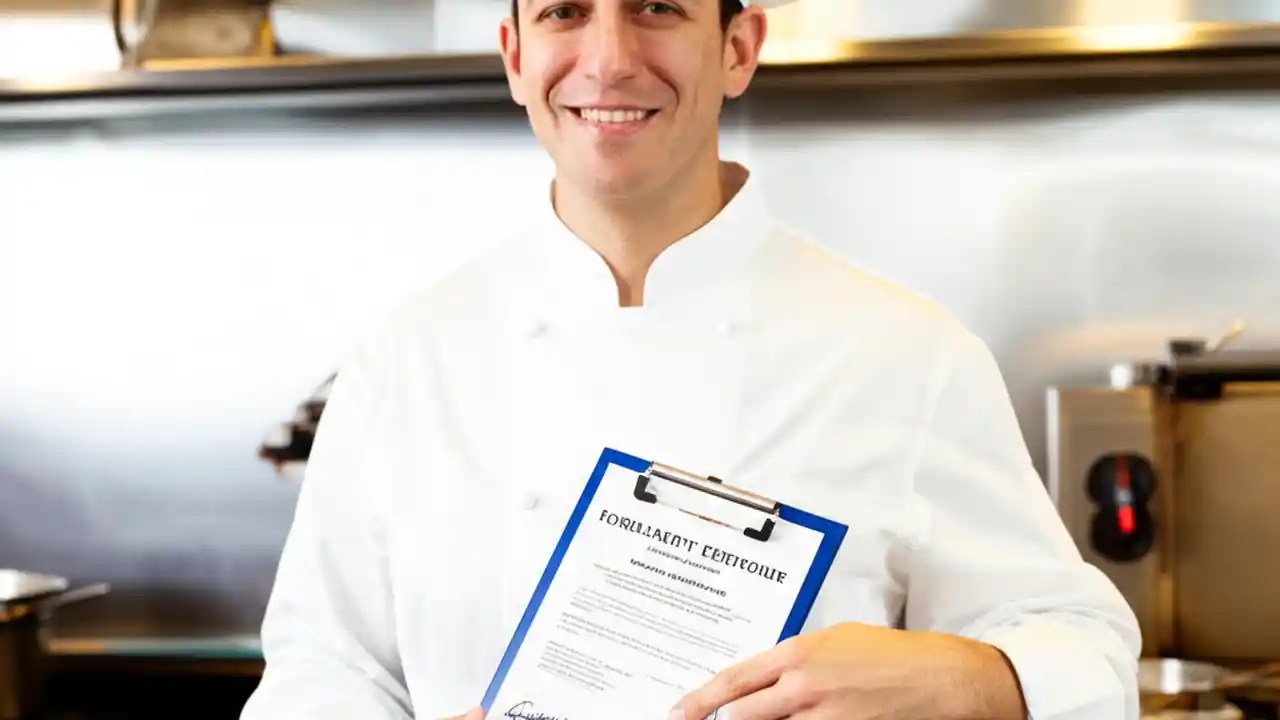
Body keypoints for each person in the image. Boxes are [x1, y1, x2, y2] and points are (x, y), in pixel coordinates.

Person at [241, 0, 1141, 718]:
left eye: (658, 7)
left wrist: (956, 678)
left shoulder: (905, 354)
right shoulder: (405, 363)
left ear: (739, 49)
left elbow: (1090, 654)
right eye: (565, 13)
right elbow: (320, 673)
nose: (608, 60)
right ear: (515, 56)